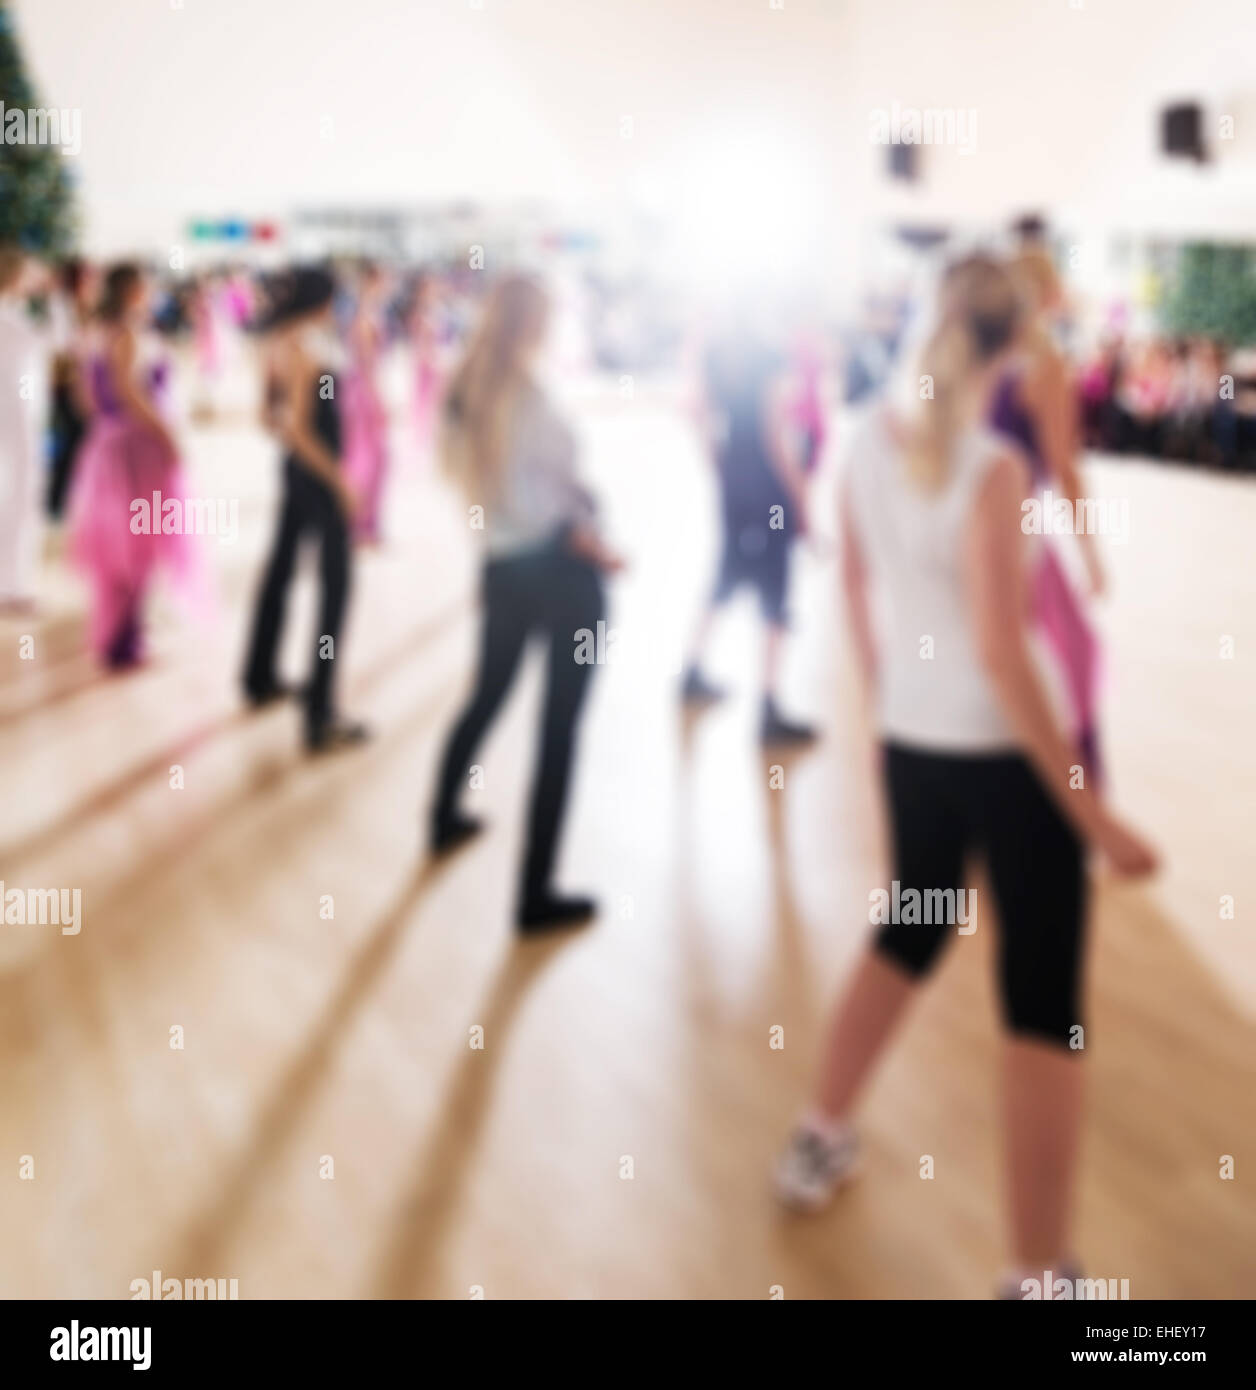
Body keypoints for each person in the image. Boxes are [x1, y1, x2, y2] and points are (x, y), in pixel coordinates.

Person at [774, 255, 1158, 1297]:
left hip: (915, 744)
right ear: (1014, 342)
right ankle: (1038, 1276)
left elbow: (850, 586)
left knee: (908, 930)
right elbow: (999, 647)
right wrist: (1091, 813)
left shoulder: (859, 437)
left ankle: (818, 1134)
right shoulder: (993, 470)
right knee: (1042, 1004)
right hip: (1006, 759)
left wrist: (882, 713)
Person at [428, 273, 621, 932]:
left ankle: (441, 814)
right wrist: (588, 540)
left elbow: (486, 493)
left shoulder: (465, 389)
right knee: (558, 731)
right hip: (566, 578)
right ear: (534, 321)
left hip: (501, 570)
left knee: (486, 696)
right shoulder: (530, 396)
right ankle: (535, 893)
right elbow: (543, 502)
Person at [989, 249, 1106, 784]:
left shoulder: (978, 357)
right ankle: (1074, 786)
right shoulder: (1046, 367)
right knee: (1074, 654)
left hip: (974, 530)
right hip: (1019, 533)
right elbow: (1065, 468)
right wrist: (1090, 553)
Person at [241, 266, 368, 752]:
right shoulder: (310, 347)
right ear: (326, 299)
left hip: (296, 472)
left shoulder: (277, 341)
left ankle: (259, 676)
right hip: (318, 475)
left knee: (281, 571)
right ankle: (321, 714)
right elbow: (298, 424)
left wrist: (299, 454)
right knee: (335, 589)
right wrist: (339, 480)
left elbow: (268, 418)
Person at [679, 308, 817, 744]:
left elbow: (696, 412)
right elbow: (778, 437)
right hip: (768, 486)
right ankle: (769, 706)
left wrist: (715, 462)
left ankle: (692, 671)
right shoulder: (771, 356)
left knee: (727, 571)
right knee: (775, 589)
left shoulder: (716, 353)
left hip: (733, 480)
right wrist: (802, 504)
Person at [66, 263, 198, 666]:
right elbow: (129, 390)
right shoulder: (126, 333)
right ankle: (126, 639)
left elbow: (84, 397)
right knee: (140, 540)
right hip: (136, 449)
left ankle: (123, 635)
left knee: (122, 543)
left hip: (109, 445)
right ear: (133, 290)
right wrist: (166, 434)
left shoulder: (95, 333)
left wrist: (106, 427)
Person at [0, 247, 52, 613]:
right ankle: (10, 584)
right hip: (14, 421)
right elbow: (54, 339)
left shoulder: (14, 316)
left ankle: (13, 581)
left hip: (21, 417)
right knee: (18, 492)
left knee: (19, 492)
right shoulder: (10, 319)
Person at [341, 262, 391, 544]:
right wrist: (379, 399)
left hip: (359, 390)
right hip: (364, 393)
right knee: (369, 460)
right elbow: (368, 364)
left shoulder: (364, 314)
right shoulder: (366, 317)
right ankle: (362, 522)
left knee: (367, 458)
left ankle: (363, 522)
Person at [46, 257, 99, 520]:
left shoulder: (85, 309)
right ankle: (56, 502)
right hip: (66, 385)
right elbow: (61, 349)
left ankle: (68, 498)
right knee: (71, 442)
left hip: (83, 384)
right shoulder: (61, 308)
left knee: (80, 441)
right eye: (87, 278)